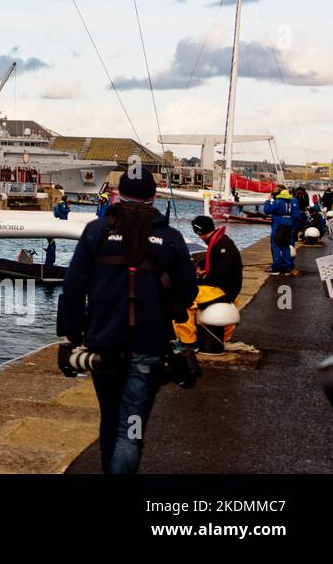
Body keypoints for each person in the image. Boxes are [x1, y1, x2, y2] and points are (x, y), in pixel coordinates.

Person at [57, 166, 197, 474]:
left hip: (103, 342)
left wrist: (74, 335)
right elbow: (188, 293)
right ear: (154, 198)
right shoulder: (171, 238)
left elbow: (73, 286)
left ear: (118, 196)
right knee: (131, 425)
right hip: (148, 344)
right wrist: (167, 309)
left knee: (109, 417)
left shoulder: (96, 231)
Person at [175, 215, 243, 354]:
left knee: (182, 300)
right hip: (228, 288)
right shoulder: (221, 241)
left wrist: (199, 281)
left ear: (199, 232)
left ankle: (188, 343)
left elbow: (220, 277)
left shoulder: (222, 246)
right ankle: (224, 338)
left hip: (223, 289)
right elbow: (218, 265)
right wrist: (203, 268)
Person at [262, 188, 299, 276]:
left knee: (276, 245)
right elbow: (296, 215)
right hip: (288, 225)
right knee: (285, 246)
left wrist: (268, 201)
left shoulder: (278, 202)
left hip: (278, 225)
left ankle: (276, 268)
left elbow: (267, 210)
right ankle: (287, 267)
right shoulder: (291, 202)